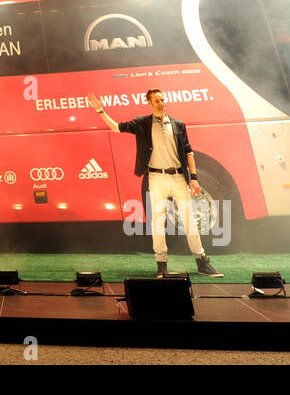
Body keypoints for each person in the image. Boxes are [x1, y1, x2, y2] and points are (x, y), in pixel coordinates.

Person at [87, 89, 223, 277]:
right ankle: (162, 265)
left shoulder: (178, 124)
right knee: (158, 222)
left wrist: (194, 178)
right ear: (149, 103)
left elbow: (188, 152)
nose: (161, 103)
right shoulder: (143, 123)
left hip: (178, 178)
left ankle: (202, 262)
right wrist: (100, 110)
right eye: (157, 100)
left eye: (162, 99)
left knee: (189, 221)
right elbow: (117, 127)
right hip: (156, 178)